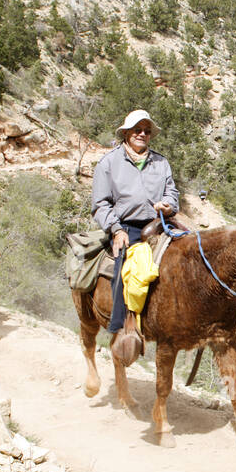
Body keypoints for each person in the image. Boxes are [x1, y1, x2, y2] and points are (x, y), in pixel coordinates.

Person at [91, 109, 180, 343]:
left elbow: (172, 192)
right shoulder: (108, 163)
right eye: (137, 130)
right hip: (125, 226)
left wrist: (169, 205)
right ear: (127, 133)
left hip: (159, 224)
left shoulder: (161, 162)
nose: (142, 134)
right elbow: (100, 204)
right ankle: (121, 328)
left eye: (147, 131)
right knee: (123, 267)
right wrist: (116, 230)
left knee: (187, 257)